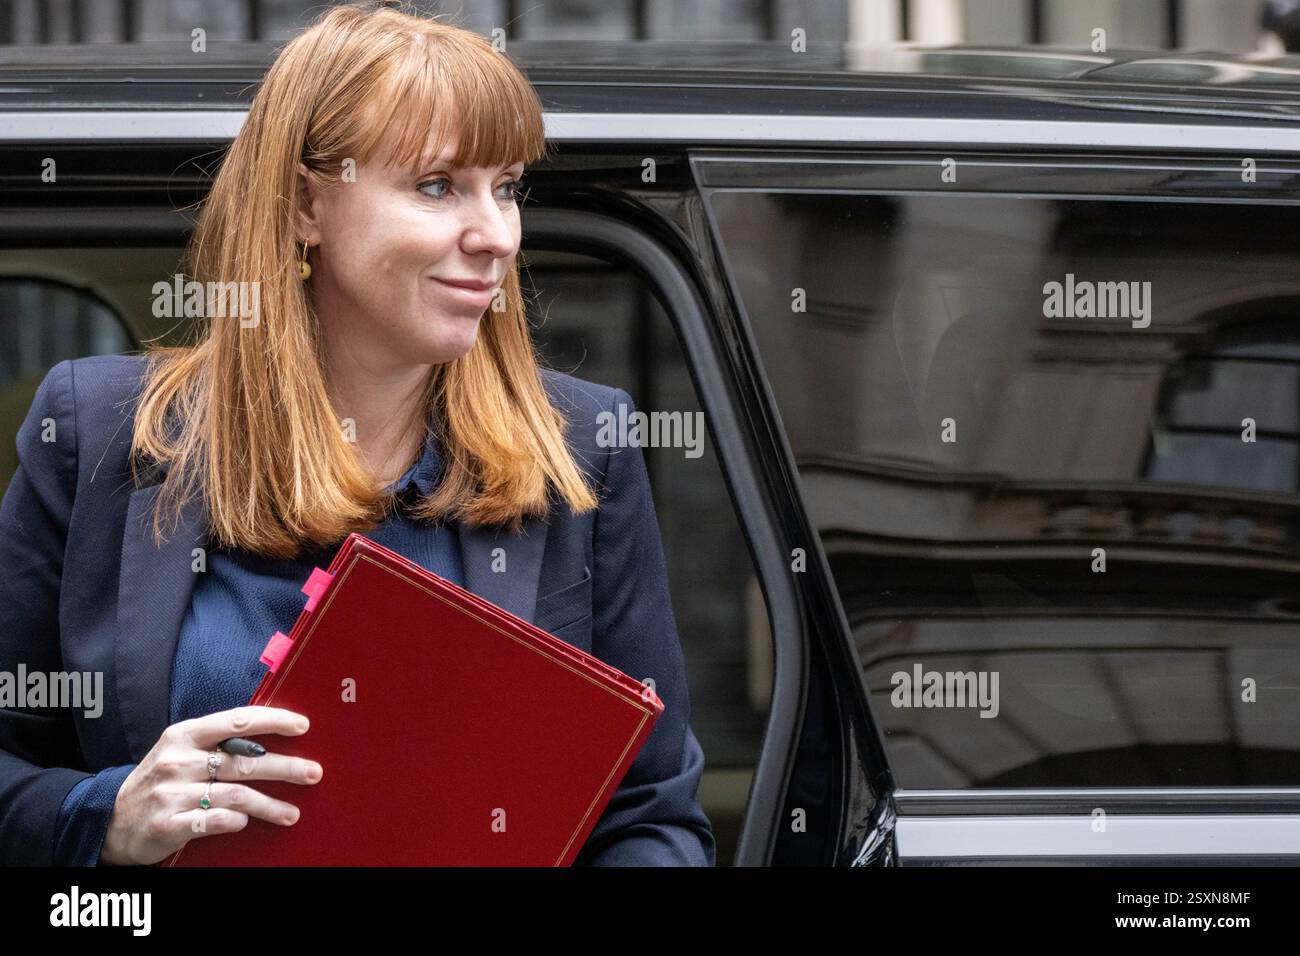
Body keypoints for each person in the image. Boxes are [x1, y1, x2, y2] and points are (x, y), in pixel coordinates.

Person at [0, 0, 715, 867]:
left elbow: (654, 817)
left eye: (508, 188)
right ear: (307, 203)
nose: (494, 235)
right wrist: (105, 814)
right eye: (437, 185)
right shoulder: (100, 433)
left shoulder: (582, 445)